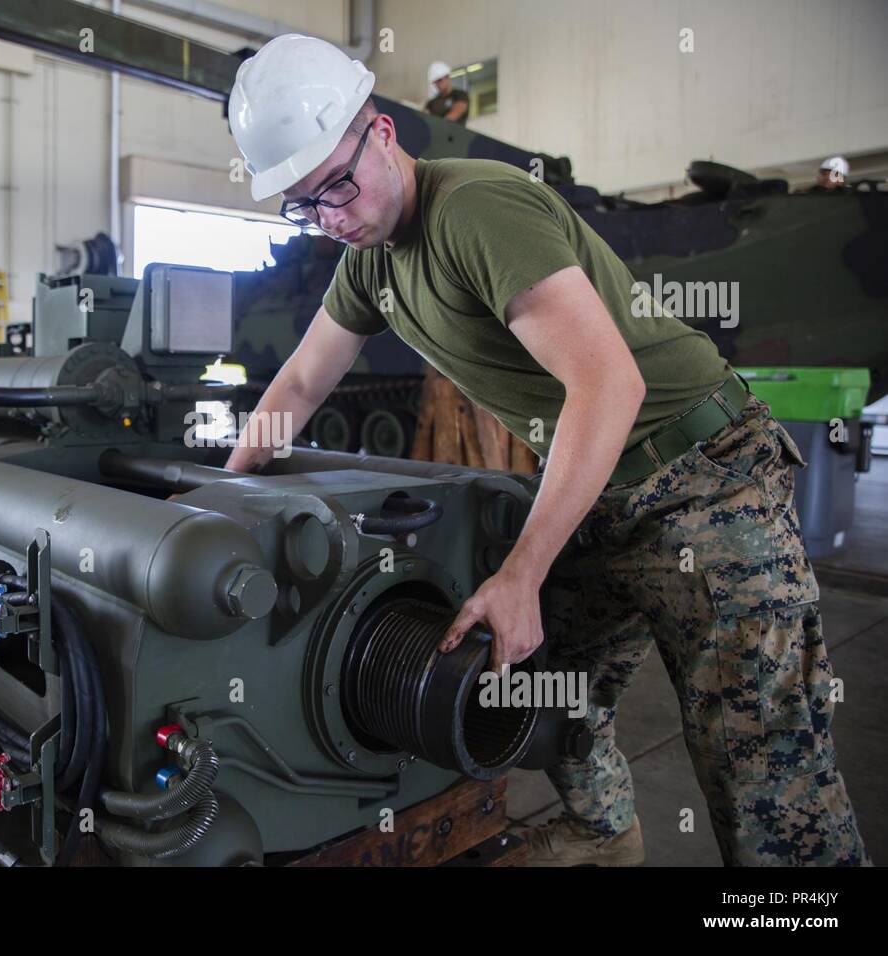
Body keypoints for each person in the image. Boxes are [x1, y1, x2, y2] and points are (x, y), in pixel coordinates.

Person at [225, 34, 869, 866]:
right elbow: (301, 386)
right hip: (605, 489)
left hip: (706, 482)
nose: (332, 217)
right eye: (305, 207)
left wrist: (521, 572)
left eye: (338, 185)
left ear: (381, 133)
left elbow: (609, 387)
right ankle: (603, 832)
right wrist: (224, 493)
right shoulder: (369, 264)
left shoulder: (474, 211)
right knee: (539, 683)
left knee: (760, 753)